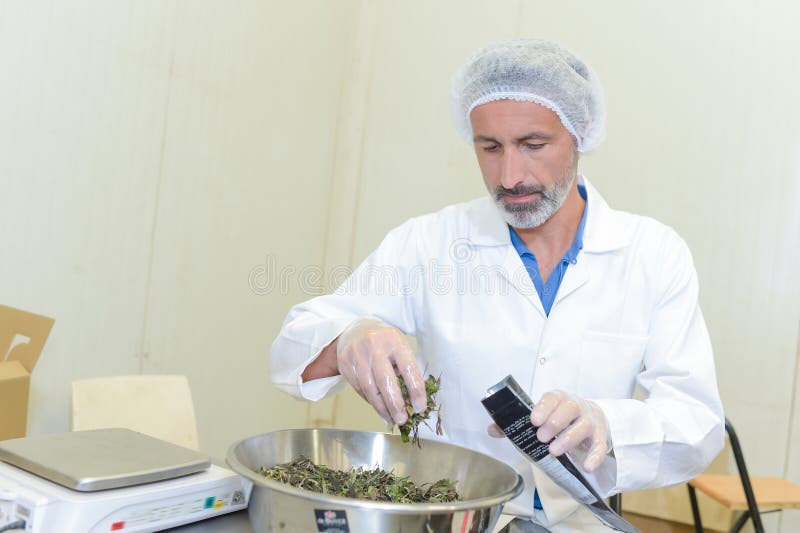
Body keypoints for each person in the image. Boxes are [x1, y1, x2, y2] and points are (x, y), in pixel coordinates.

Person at [270, 39, 724, 532]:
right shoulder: (429, 243)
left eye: (533, 145)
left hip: (579, 520)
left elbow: (696, 422)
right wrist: (349, 337)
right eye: (489, 148)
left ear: (581, 133)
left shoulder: (652, 255)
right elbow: (293, 352)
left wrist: (606, 423)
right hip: (448, 513)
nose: (510, 175)